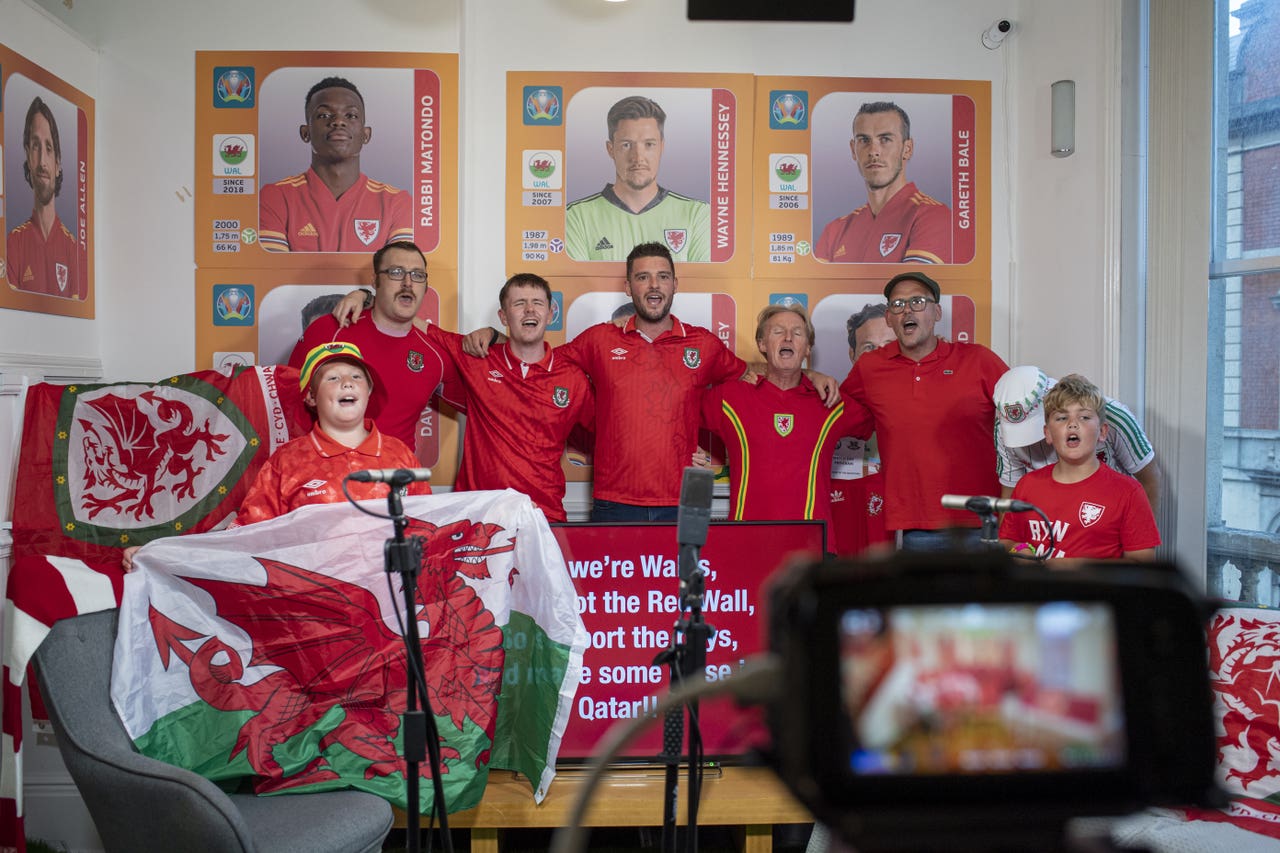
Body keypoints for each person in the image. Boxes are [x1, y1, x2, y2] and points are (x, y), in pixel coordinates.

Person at [466, 242, 747, 521]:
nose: (653, 285)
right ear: (628, 287)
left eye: (662, 277)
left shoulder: (704, 344)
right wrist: (498, 335)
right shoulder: (599, 340)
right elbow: (538, 360)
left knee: (684, 569)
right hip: (614, 502)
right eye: (642, 277)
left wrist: (711, 451)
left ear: (675, 284)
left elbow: (750, 385)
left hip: (684, 499)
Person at [123, 342, 426, 570]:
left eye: (356, 376)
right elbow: (245, 537)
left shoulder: (399, 454)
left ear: (370, 390)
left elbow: (429, 529)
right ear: (310, 396)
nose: (346, 382)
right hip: (315, 606)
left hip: (392, 604)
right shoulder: (288, 461)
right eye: (332, 378)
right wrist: (160, 553)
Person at [839, 272, 1008, 550]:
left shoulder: (978, 359)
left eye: (917, 301)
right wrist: (811, 376)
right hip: (917, 528)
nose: (907, 310)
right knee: (926, 596)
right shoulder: (870, 368)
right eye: (897, 304)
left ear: (937, 312)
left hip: (983, 521)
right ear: (889, 319)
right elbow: (832, 414)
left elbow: (1024, 413)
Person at [423, 273, 594, 522]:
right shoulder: (477, 358)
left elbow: (597, 440)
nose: (529, 310)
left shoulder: (572, 378)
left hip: (543, 517)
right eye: (519, 303)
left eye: (537, 303)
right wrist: (367, 298)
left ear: (550, 314)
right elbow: (417, 328)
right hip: (479, 518)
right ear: (503, 316)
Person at [701, 304, 869, 544]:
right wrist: (688, 449)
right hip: (747, 542)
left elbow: (881, 412)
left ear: (807, 348)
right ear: (762, 344)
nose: (788, 337)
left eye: (798, 333)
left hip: (813, 543)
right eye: (778, 331)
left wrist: (814, 375)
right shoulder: (730, 398)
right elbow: (679, 411)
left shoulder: (830, 400)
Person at [288, 240, 454, 456]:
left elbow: (489, 405)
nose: (408, 283)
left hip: (396, 482)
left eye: (417, 275)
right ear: (375, 281)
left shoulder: (436, 354)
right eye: (396, 272)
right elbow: (287, 404)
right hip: (327, 480)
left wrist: (492, 334)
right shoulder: (329, 330)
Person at [998, 374, 1160, 561]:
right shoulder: (1027, 486)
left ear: (1102, 431)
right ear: (1048, 433)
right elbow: (1008, 542)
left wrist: (1079, 568)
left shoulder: (1128, 493)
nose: (1072, 424)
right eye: (1061, 418)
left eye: (1084, 417)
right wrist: (1021, 550)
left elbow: (1142, 563)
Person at [259, 76, 413, 253]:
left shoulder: (396, 202)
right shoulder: (276, 197)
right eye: (324, 115)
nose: (338, 121)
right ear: (305, 132)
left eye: (351, 115)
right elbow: (275, 275)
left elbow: (397, 275)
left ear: (366, 134)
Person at [994, 365, 1160, 512]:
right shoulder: (1002, 431)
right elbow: (1010, 498)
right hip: (1051, 529)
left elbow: (1149, 480)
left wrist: (1141, 540)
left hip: (1109, 517)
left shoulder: (1114, 417)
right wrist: (1011, 546)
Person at [564, 95, 710, 263]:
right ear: (610, 149)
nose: (638, 157)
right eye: (626, 145)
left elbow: (701, 288)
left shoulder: (698, 215)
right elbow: (578, 288)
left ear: (662, 147)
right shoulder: (576, 217)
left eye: (649, 144)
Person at [814, 101, 952, 264]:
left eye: (885, 139)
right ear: (853, 150)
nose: (873, 151)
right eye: (864, 140)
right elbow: (816, 289)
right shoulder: (835, 231)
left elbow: (910, 288)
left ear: (907, 149)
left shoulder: (934, 216)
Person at [830, 303, 896, 556]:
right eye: (869, 348)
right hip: (841, 541)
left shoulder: (926, 409)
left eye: (890, 346)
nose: (880, 356)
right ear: (852, 353)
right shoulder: (828, 408)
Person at [6, 96, 81, 298]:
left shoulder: (73, 249)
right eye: (36, 146)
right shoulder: (13, 244)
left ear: (58, 164)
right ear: (28, 155)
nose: (42, 162)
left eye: (48, 148)